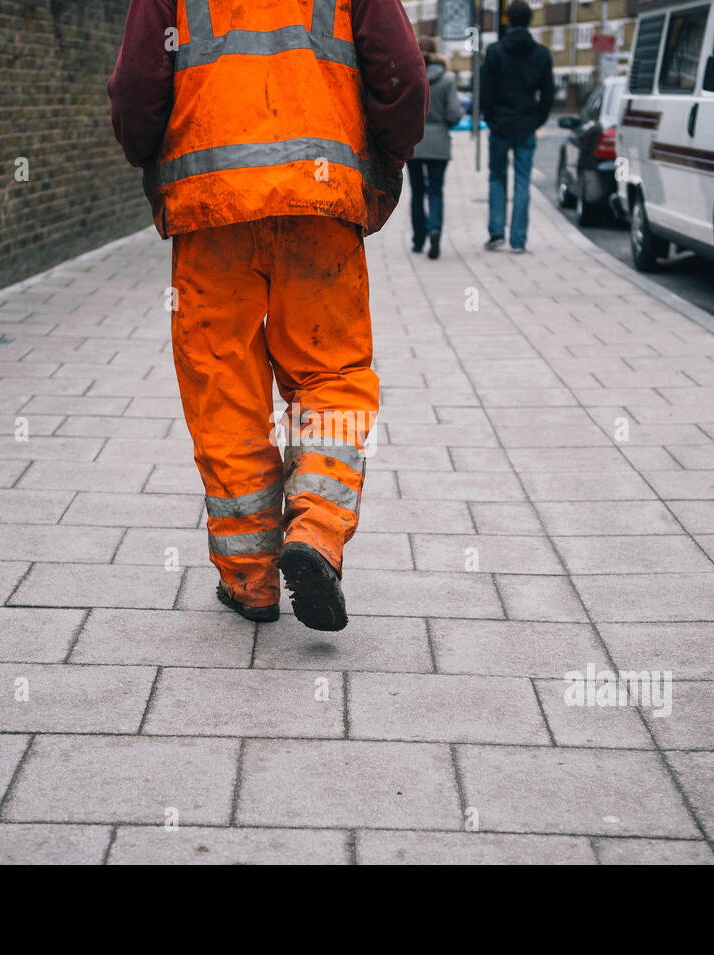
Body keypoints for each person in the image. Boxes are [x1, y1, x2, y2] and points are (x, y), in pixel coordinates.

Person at [108, 1, 428, 631]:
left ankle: (250, 578)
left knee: (221, 384)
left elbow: (137, 86)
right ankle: (316, 528)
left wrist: (151, 156)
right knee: (331, 373)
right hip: (320, 197)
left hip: (210, 203)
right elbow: (403, 76)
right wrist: (383, 162)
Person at [480, 0, 555, 253]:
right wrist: (537, 120)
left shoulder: (494, 51)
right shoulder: (542, 55)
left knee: (497, 178)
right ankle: (519, 240)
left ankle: (497, 232)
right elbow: (548, 95)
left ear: (508, 20)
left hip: (500, 124)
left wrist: (490, 117)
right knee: (523, 181)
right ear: (529, 21)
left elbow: (486, 91)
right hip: (526, 125)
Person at [409, 36, 463, 260]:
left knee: (417, 192)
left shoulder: (410, 76)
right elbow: (455, 114)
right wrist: (443, 123)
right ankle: (435, 230)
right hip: (439, 142)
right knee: (435, 191)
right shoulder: (448, 80)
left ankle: (418, 239)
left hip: (414, 142)